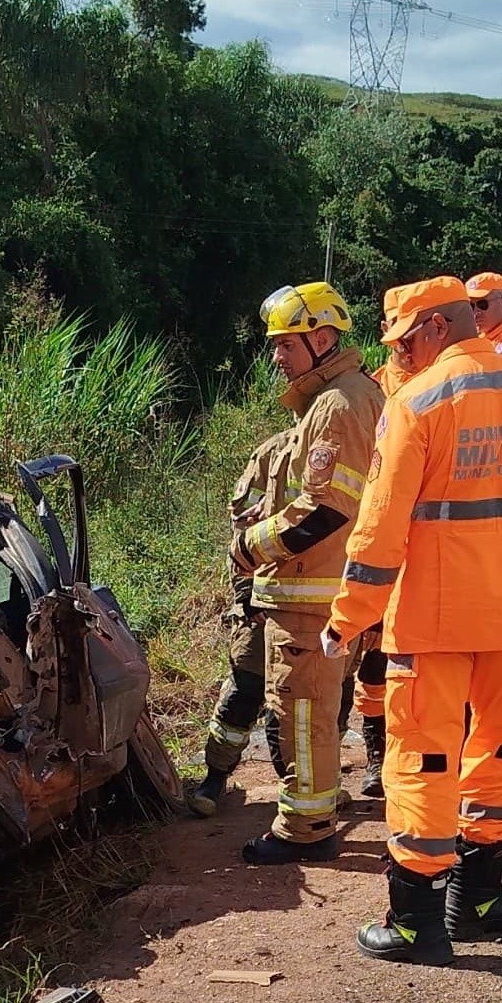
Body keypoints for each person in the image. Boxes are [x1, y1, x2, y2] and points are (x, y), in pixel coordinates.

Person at [326, 276, 502, 963]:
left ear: (436, 330)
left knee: (424, 756)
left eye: (405, 340)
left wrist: (350, 616)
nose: (401, 355)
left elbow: (379, 527)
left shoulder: (417, 402)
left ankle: (416, 920)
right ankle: (479, 897)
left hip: (433, 622)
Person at [208, 280, 385, 865]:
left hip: (313, 598)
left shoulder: (339, 403)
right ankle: (315, 811)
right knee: (307, 710)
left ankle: (306, 830)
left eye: (286, 343)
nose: (277, 355)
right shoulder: (340, 399)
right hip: (317, 591)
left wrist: (250, 546)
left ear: (324, 338)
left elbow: (331, 508)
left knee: (301, 711)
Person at [188, 442, 288, 818]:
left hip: (323, 606)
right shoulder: (273, 453)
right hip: (265, 604)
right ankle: (215, 778)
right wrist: (248, 595)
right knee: (244, 691)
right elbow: (243, 525)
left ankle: (307, 788)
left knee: (318, 703)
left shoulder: (350, 442)